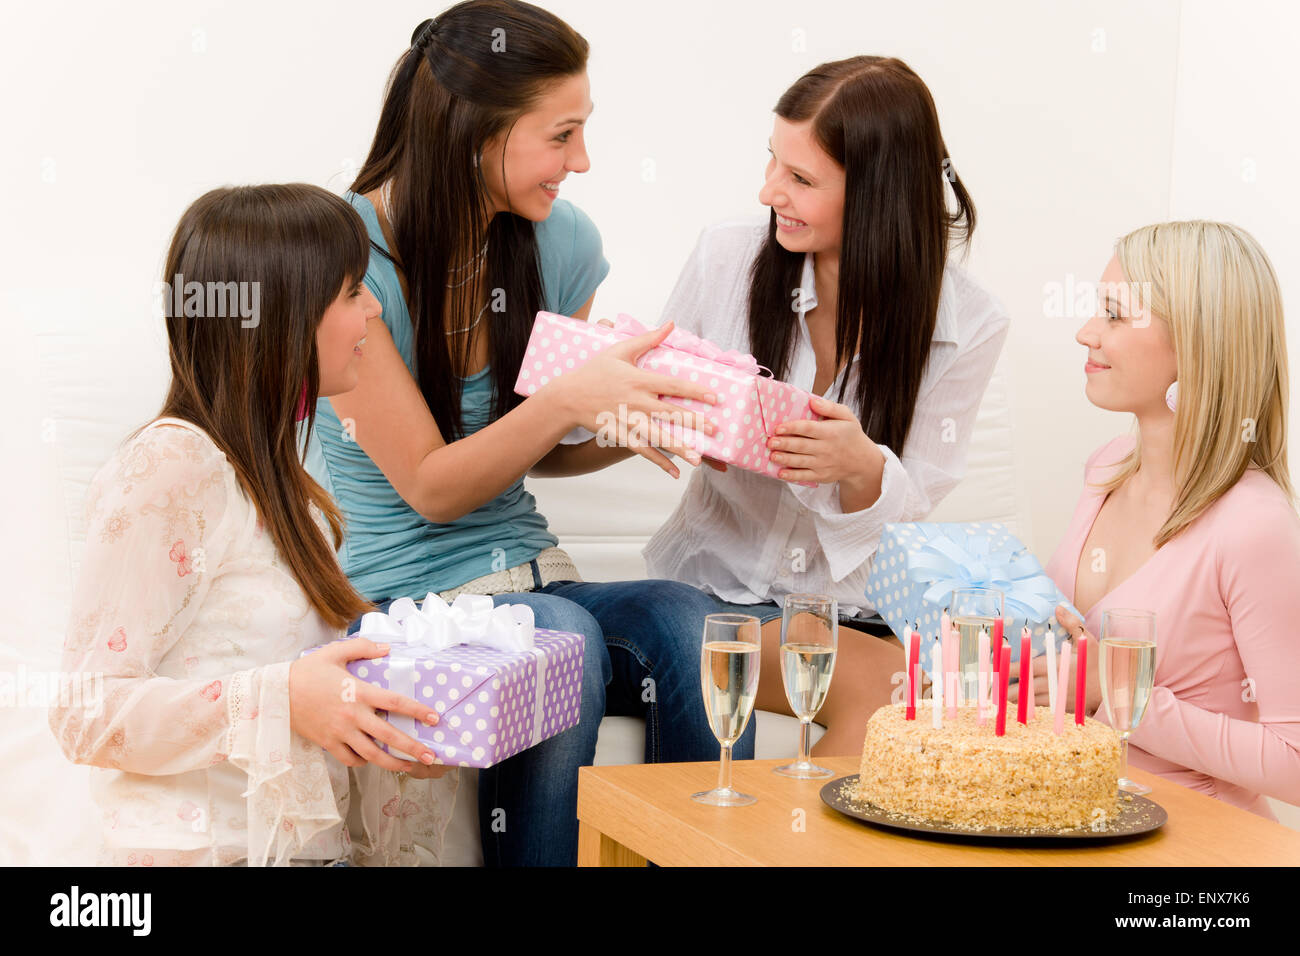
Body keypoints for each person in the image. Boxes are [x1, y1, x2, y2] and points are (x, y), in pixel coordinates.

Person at [302, 2, 738, 866]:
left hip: (540, 582)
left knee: (691, 623)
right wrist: (573, 397)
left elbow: (539, 445)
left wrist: (641, 413)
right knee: (562, 642)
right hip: (411, 605)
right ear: (474, 135)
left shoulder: (557, 239)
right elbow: (430, 486)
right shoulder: (347, 256)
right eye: (561, 135)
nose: (582, 162)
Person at [49, 184, 455, 866]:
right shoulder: (171, 465)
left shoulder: (289, 491)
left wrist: (374, 725)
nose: (374, 308)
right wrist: (283, 699)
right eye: (353, 290)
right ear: (286, 315)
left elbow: (292, 702)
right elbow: (85, 712)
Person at [643, 56, 1010, 756]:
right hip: (712, 595)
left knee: (910, 686)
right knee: (876, 686)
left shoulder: (969, 322)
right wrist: (667, 411)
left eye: (800, 179)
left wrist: (861, 467)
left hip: (855, 609)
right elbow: (655, 397)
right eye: (773, 162)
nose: (768, 190)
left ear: (878, 195)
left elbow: (917, 497)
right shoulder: (726, 257)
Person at [1005, 220, 1300, 819]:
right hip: (1074, 818)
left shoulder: (1254, 524)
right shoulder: (1107, 468)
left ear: (1194, 344)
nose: (1087, 332)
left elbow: (1294, 761)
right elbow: (1070, 659)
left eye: (1115, 314)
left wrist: (1118, 697)